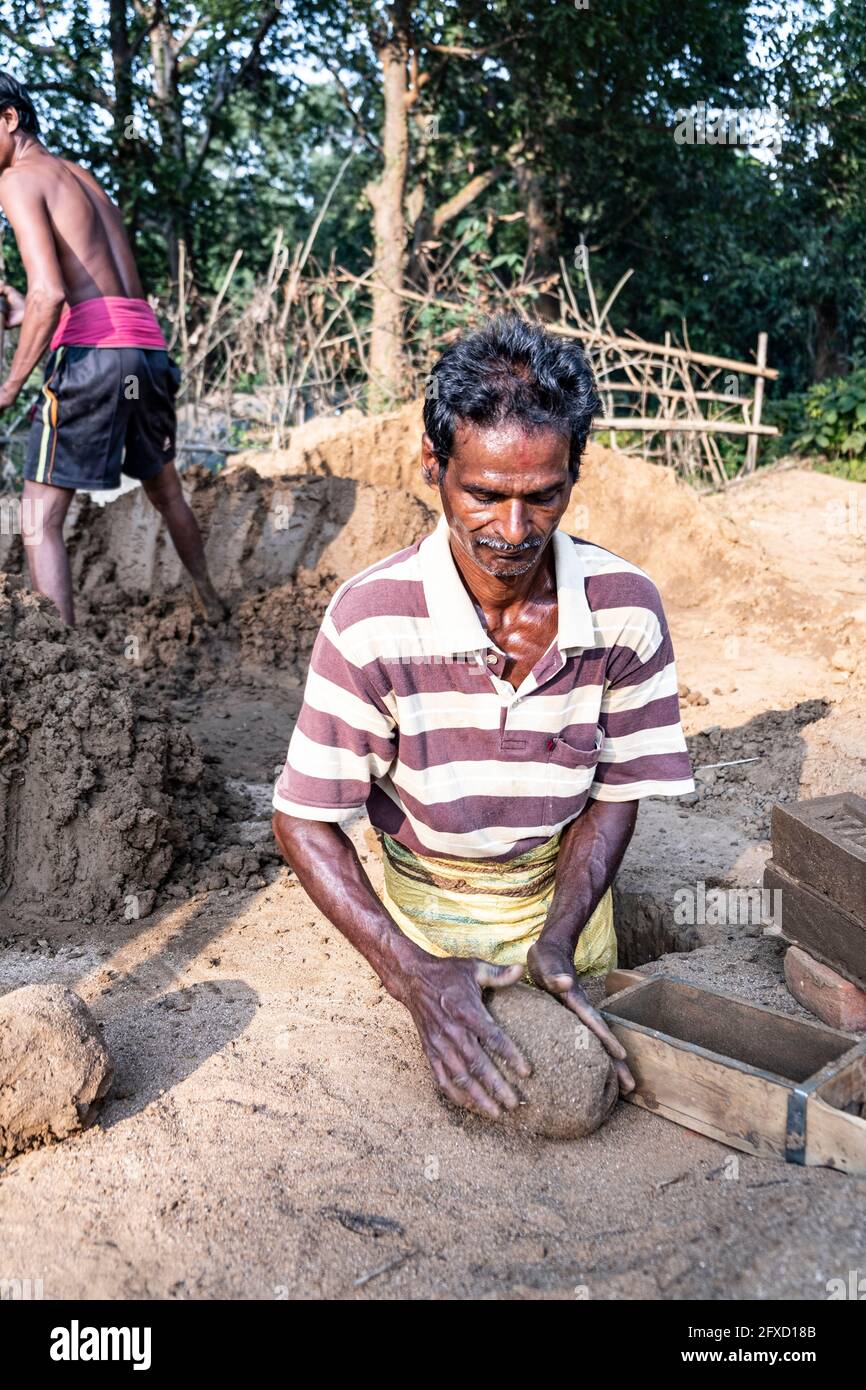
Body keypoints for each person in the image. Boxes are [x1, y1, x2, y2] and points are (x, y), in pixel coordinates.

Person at [272, 314, 695, 1119]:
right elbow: (303, 821)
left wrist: (561, 939)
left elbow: (614, 792)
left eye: (543, 496)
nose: (512, 531)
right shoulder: (370, 620)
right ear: (433, 465)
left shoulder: (627, 609)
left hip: (560, 897)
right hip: (424, 905)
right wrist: (412, 974)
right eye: (485, 494)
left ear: (575, 469)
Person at [0, 72, 225, 626]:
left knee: (37, 518)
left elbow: (50, 291)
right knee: (167, 492)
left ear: (9, 119)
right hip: (145, 353)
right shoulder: (83, 177)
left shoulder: (16, 180)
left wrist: (8, 387)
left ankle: (63, 665)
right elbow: (97, 295)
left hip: (93, 361)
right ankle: (211, 601)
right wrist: (28, 315)